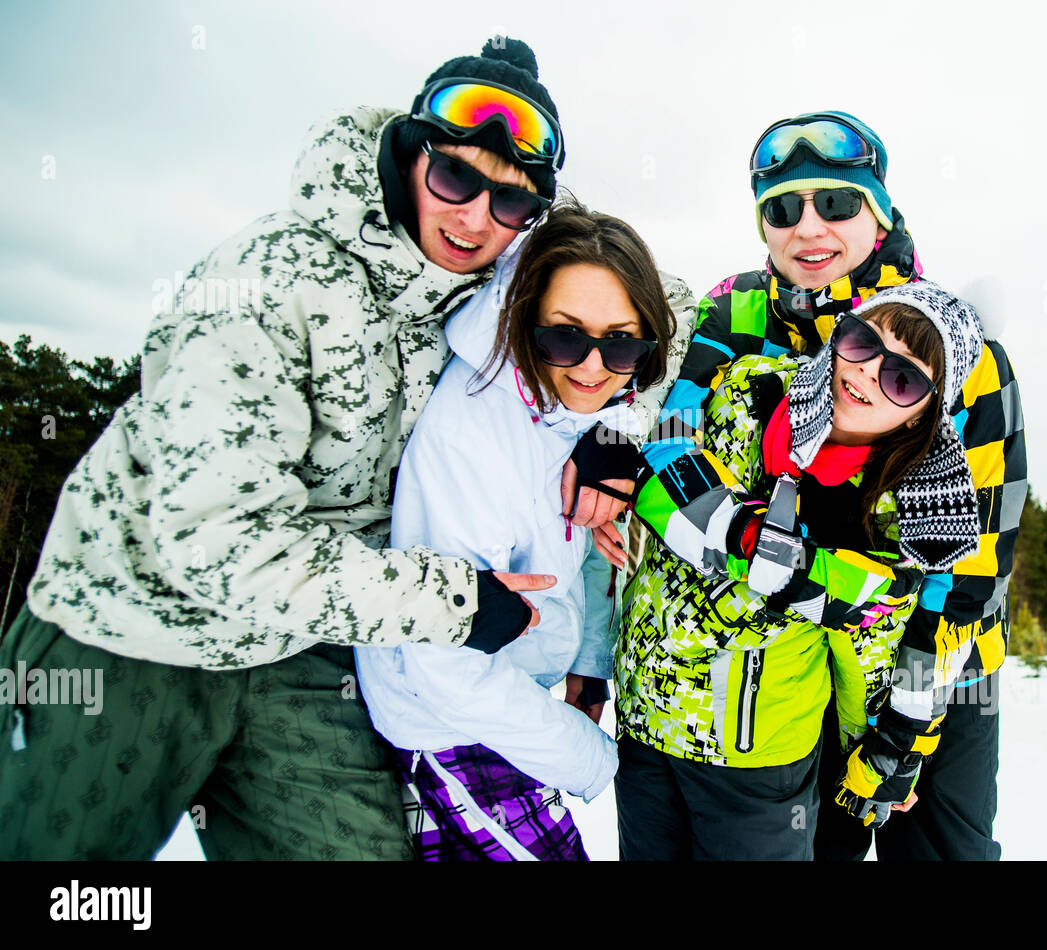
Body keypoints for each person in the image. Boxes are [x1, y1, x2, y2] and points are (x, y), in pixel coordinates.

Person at [0, 37, 689, 861]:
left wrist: (616, 430)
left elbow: (664, 305)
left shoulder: (505, 268)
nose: (476, 219)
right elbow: (217, 539)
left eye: (511, 201)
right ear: (408, 156)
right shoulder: (269, 278)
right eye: (455, 179)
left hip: (311, 652)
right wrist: (451, 602)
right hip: (137, 630)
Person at [632, 112, 1027, 860]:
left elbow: (974, 567)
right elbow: (665, 436)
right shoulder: (733, 310)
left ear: (878, 212)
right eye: (783, 208)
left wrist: (904, 733)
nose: (808, 228)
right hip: (788, 673)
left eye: (837, 203)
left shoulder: (957, 346)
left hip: (938, 669)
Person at [616, 280, 986, 860]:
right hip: (643, 723)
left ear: (924, 414)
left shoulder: (905, 509)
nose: (867, 373)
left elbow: (873, 640)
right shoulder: (749, 391)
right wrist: (753, 540)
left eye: (903, 378)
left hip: (754, 753)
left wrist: (885, 758)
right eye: (863, 342)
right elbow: (662, 459)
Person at [355, 201, 679, 861]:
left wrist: (588, 667)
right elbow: (442, 662)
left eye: (622, 343)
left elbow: (583, 547)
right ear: (525, 317)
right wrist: (586, 753)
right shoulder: (476, 438)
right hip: (450, 728)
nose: (593, 367)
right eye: (565, 337)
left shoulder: (570, 412)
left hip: (508, 707)